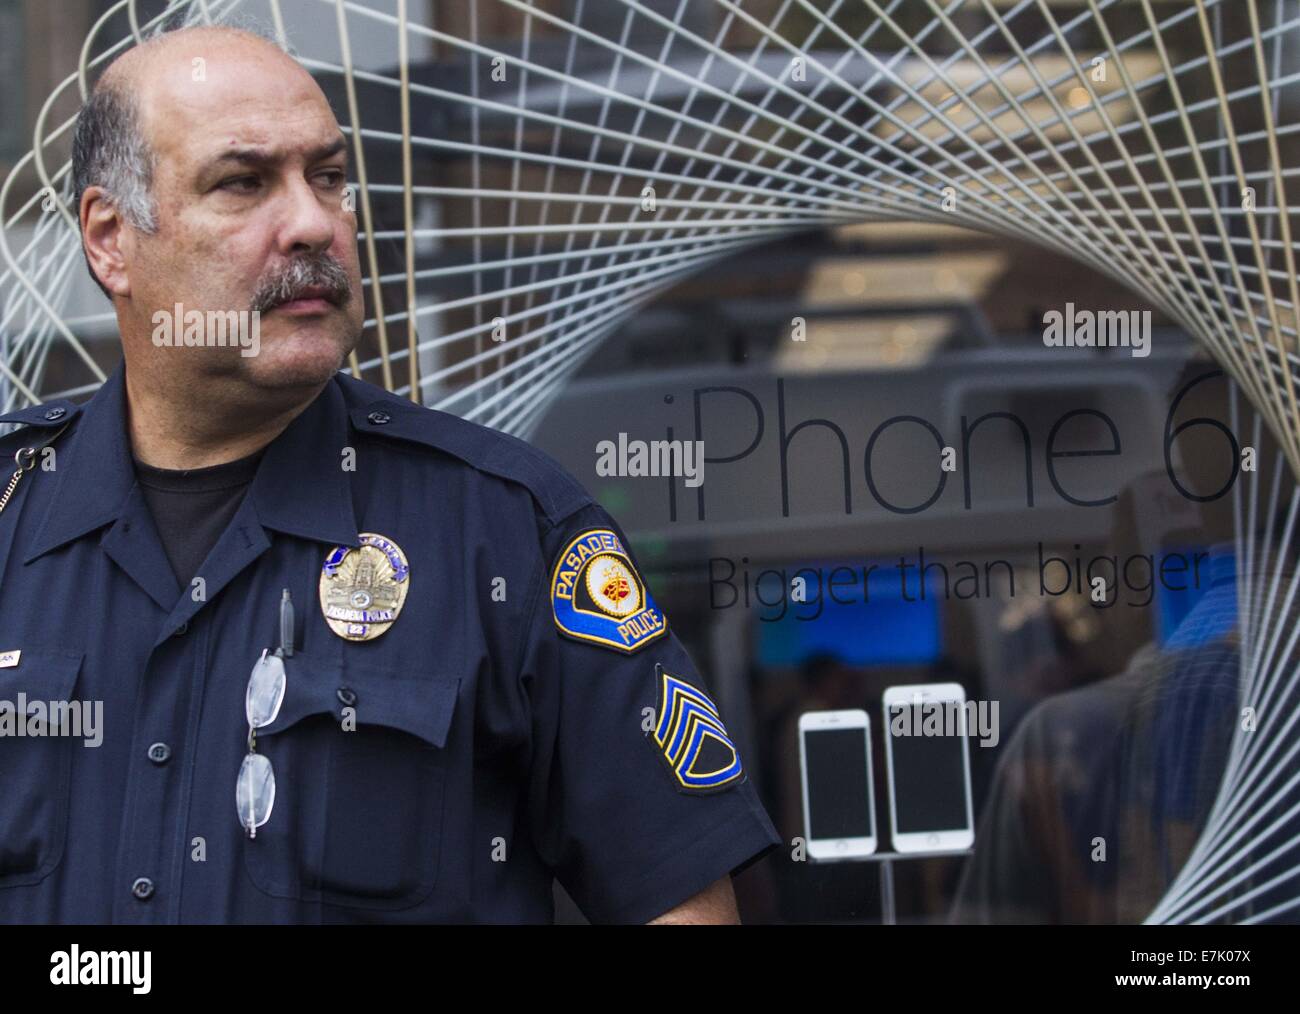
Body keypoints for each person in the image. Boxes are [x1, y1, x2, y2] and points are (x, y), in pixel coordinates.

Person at [0, 23, 778, 924]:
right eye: (244, 183)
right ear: (110, 239)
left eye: (328, 177)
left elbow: (680, 903)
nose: (312, 223)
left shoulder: (504, 530)